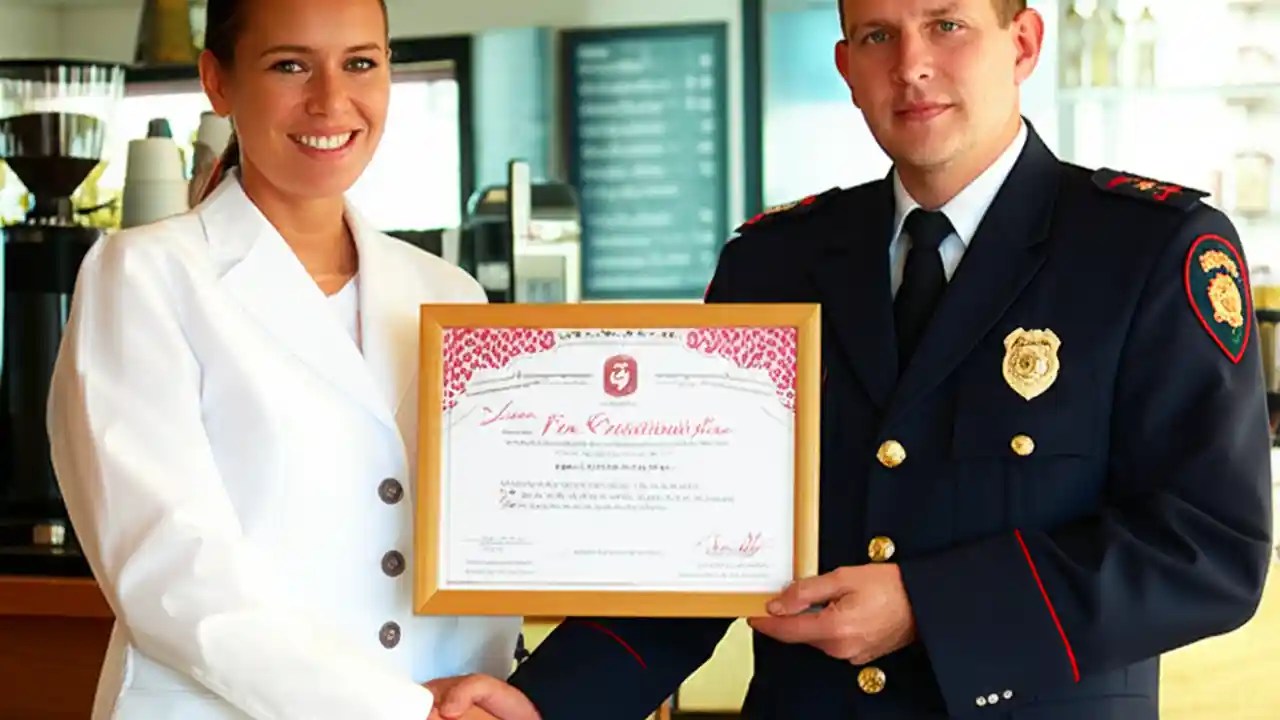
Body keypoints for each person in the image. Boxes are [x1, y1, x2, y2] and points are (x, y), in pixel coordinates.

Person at [431, 0, 1274, 718]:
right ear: (844, 64)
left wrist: (929, 609)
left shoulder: (1147, 250)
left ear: (1022, 43)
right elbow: (696, 539)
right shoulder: (774, 262)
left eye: (946, 24)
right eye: (877, 35)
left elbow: (1209, 549)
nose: (911, 65)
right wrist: (548, 700)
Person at [44, 0, 536, 718]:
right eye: (290, 65)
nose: (331, 100)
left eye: (361, 63)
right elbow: (170, 574)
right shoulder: (145, 274)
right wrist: (397, 710)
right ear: (217, 80)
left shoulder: (447, 290)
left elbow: (488, 533)